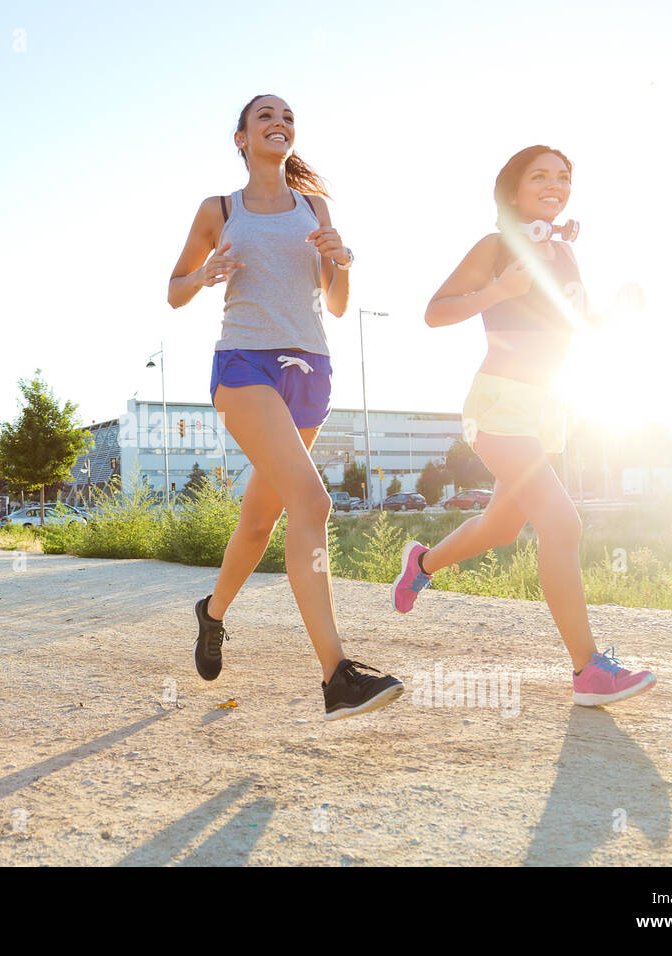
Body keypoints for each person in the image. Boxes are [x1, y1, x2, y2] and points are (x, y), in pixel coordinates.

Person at [168, 93, 404, 721]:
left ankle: (211, 614)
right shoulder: (218, 209)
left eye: (288, 118)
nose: (279, 123)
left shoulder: (315, 207)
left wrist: (342, 260)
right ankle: (337, 675)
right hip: (245, 365)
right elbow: (174, 290)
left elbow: (336, 303)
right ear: (241, 138)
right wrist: (206, 273)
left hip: (311, 370)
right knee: (315, 501)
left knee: (258, 521)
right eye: (265, 117)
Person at [395, 145, 655, 706]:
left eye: (564, 177)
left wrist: (616, 312)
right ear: (513, 190)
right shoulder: (496, 246)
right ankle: (589, 671)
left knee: (502, 527)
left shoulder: (563, 253)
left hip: (547, 408)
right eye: (541, 175)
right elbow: (436, 311)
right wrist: (498, 291)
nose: (555, 184)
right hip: (499, 405)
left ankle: (422, 562)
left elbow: (581, 328)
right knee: (562, 524)